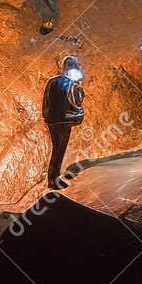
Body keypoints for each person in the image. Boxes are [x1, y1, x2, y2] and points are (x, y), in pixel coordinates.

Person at [41, 54, 85, 190]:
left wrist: (46, 117)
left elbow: (45, 101)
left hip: (52, 121)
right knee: (60, 150)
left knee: (57, 149)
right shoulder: (70, 83)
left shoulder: (52, 81)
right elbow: (76, 103)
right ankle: (53, 180)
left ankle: (53, 178)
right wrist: (80, 90)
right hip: (65, 120)